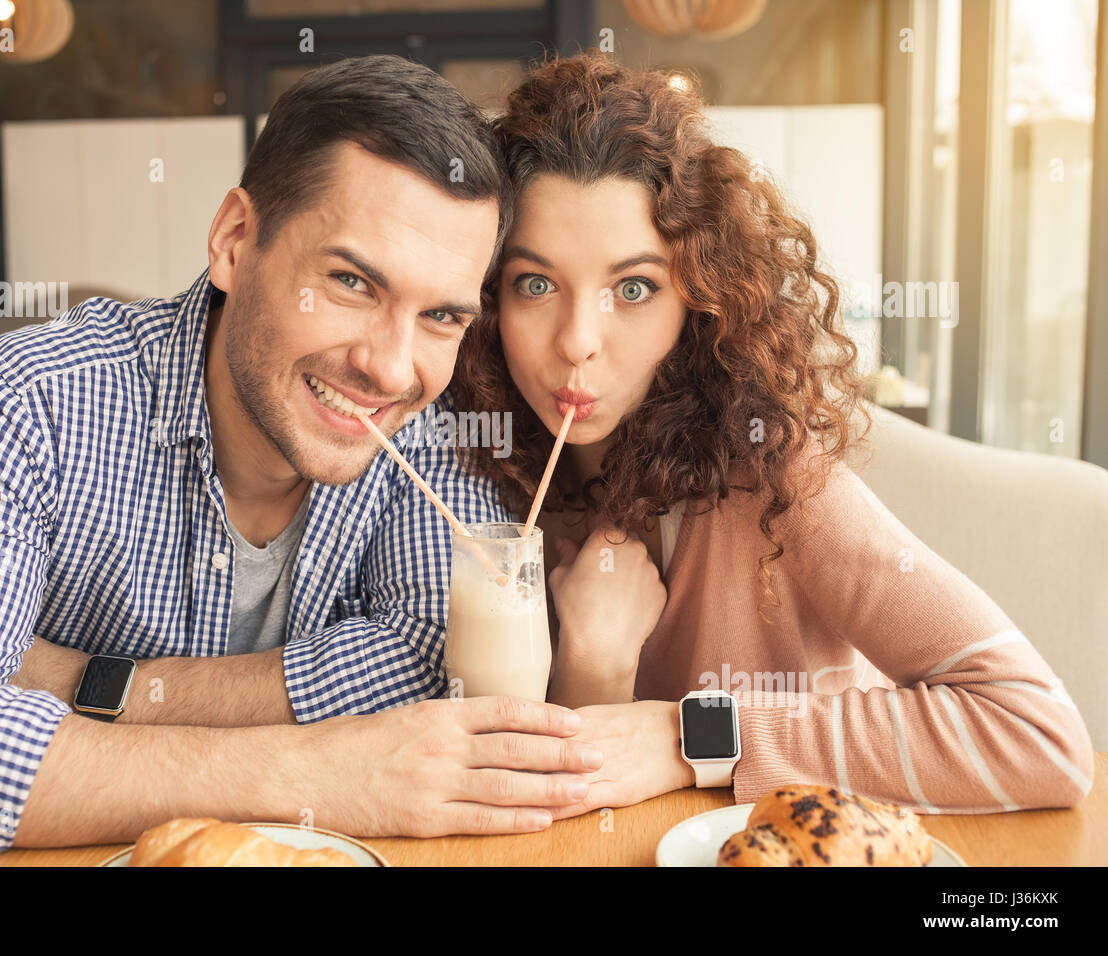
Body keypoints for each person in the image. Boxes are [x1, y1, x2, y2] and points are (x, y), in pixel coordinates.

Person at [0, 55, 604, 854]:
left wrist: (82, 682)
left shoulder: (434, 419)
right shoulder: (34, 401)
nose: (393, 370)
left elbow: (431, 662)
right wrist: (317, 774)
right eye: (352, 283)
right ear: (233, 240)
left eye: (440, 316)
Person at [450, 52, 1095, 817]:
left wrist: (688, 737)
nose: (578, 341)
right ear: (486, 295)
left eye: (634, 288)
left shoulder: (774, 476)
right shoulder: (471, 480)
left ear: (699, 301)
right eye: (537, 284)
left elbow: (1039, 733)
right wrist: (594, 664)